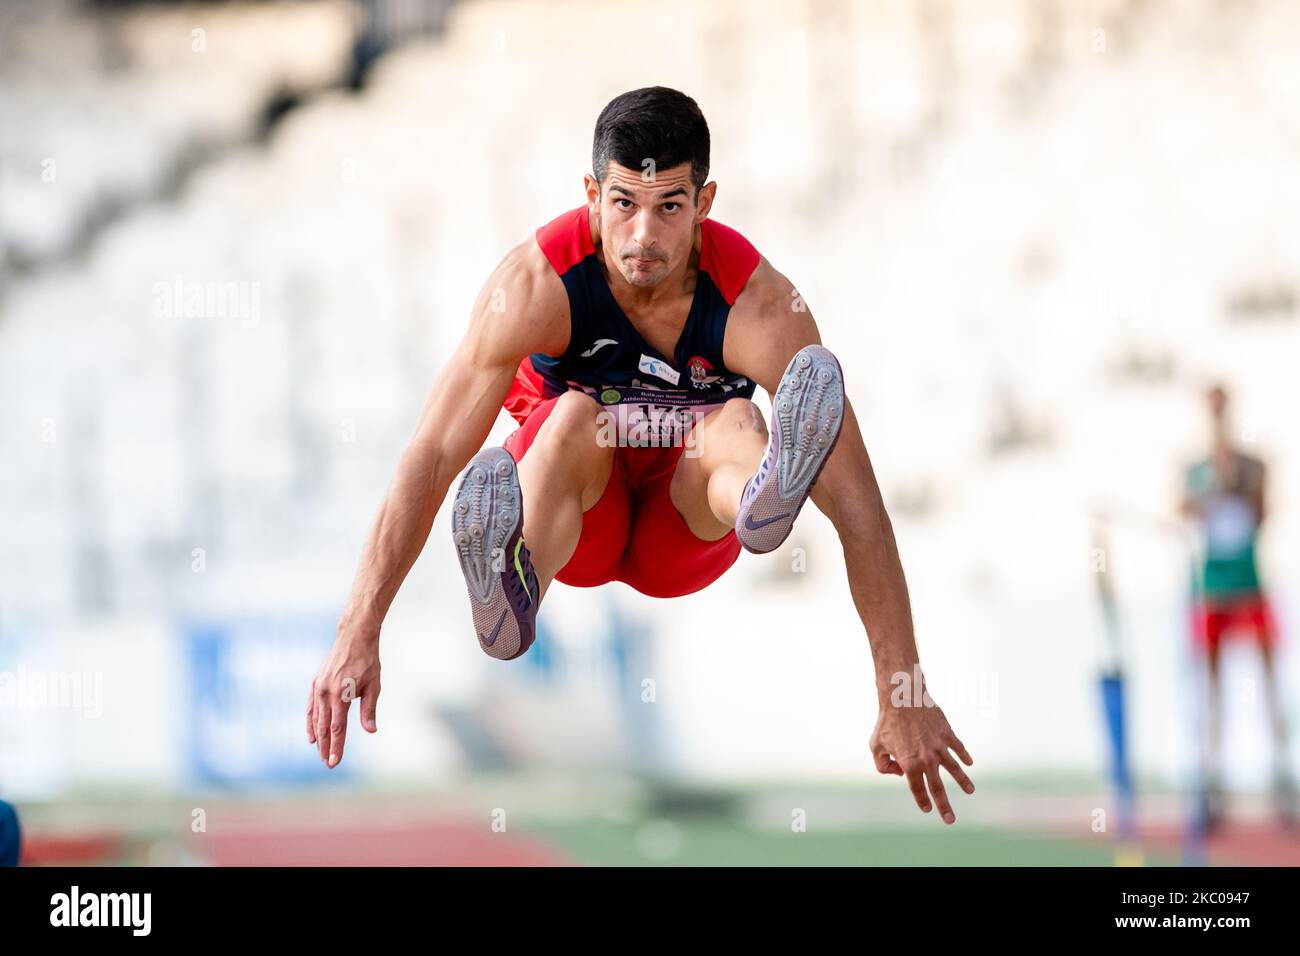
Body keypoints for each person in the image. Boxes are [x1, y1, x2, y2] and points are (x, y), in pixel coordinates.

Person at [309, 87, 974, 824]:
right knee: (570, 417)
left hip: (683, 523)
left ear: (706, 201)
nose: (643, 236)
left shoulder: (759, 306)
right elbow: (431, 457)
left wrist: (900, 692)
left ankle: (762, 498)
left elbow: (858, 509)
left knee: (737, 417)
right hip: (576, 514)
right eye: (623, 203)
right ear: (592, 193)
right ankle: (512, 587)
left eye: (669, 207)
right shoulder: (534, 285)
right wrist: (358, 629)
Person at [1181, 383, 1294, 829]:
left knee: (1269, 684)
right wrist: (1212, 488)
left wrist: (1235, 484)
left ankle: (1282, 776)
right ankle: (1212, 781)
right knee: (1210, 689)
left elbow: (1262, 511)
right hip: (1212, 588)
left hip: (1249, 585)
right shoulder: (1197, 470)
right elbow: (1184, 508)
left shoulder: (1253, 466)